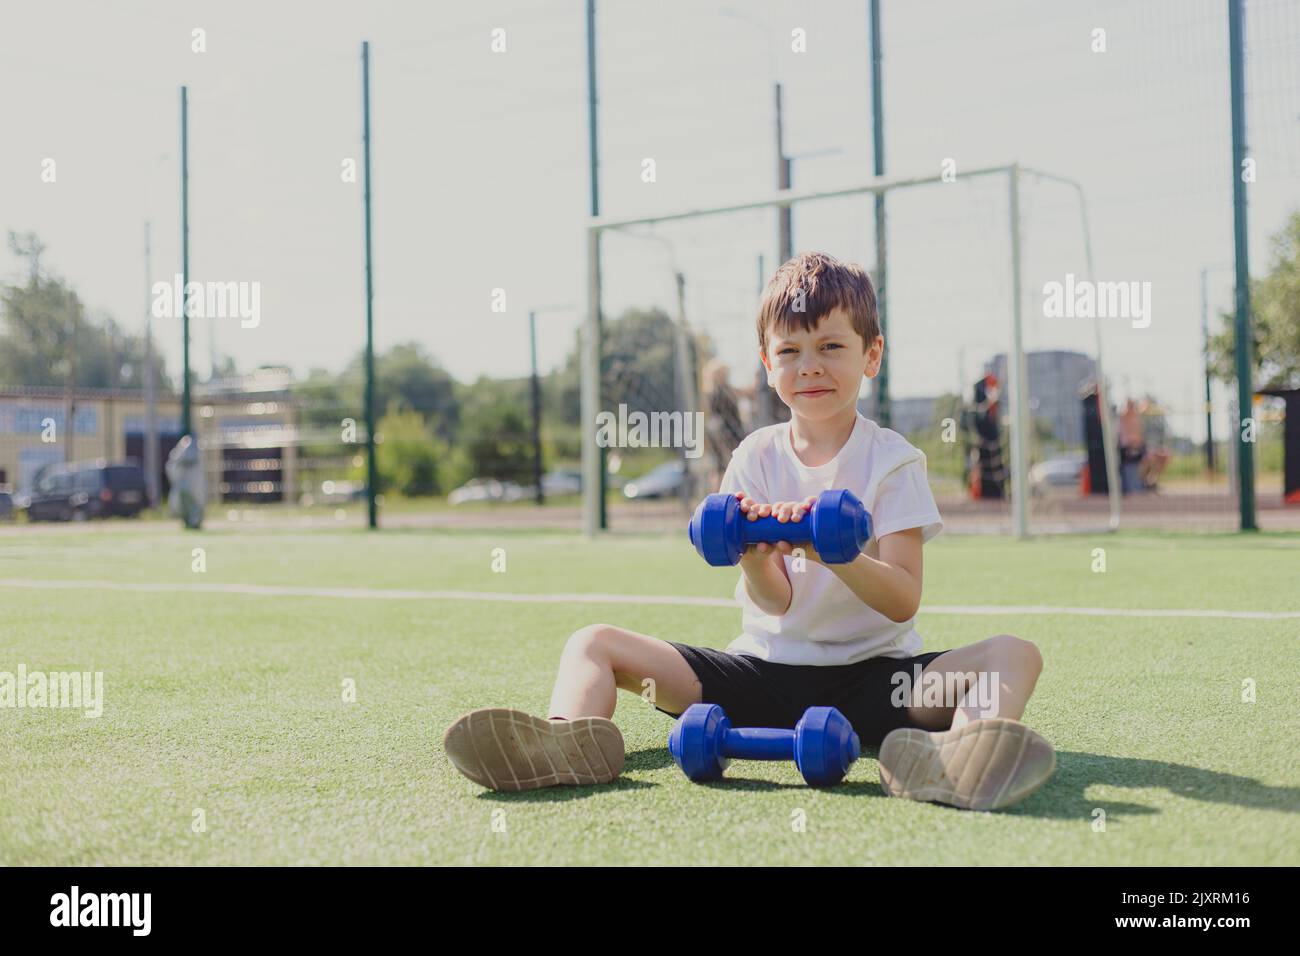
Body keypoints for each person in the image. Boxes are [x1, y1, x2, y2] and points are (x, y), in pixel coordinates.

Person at [444, 252, 1055, 811]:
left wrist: (830, 553)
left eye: (831, 347)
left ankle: (961, 754)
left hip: (879, 686)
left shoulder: (893, 462)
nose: (809, 366)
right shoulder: (755, 458)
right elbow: (775, 601)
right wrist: (753, 557)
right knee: (592, 641)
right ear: (766, 364)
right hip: (758, 676)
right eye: (789, 351)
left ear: (871, 355)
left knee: (1012, 654)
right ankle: (567, 743)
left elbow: (902, 600)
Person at [701, 359, 747, 494]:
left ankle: (718, 494)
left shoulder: (711, 391)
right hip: (726, 431)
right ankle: (720, 495)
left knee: (719, 466)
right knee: (725, 466)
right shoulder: (720, 391)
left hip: (720, 430)